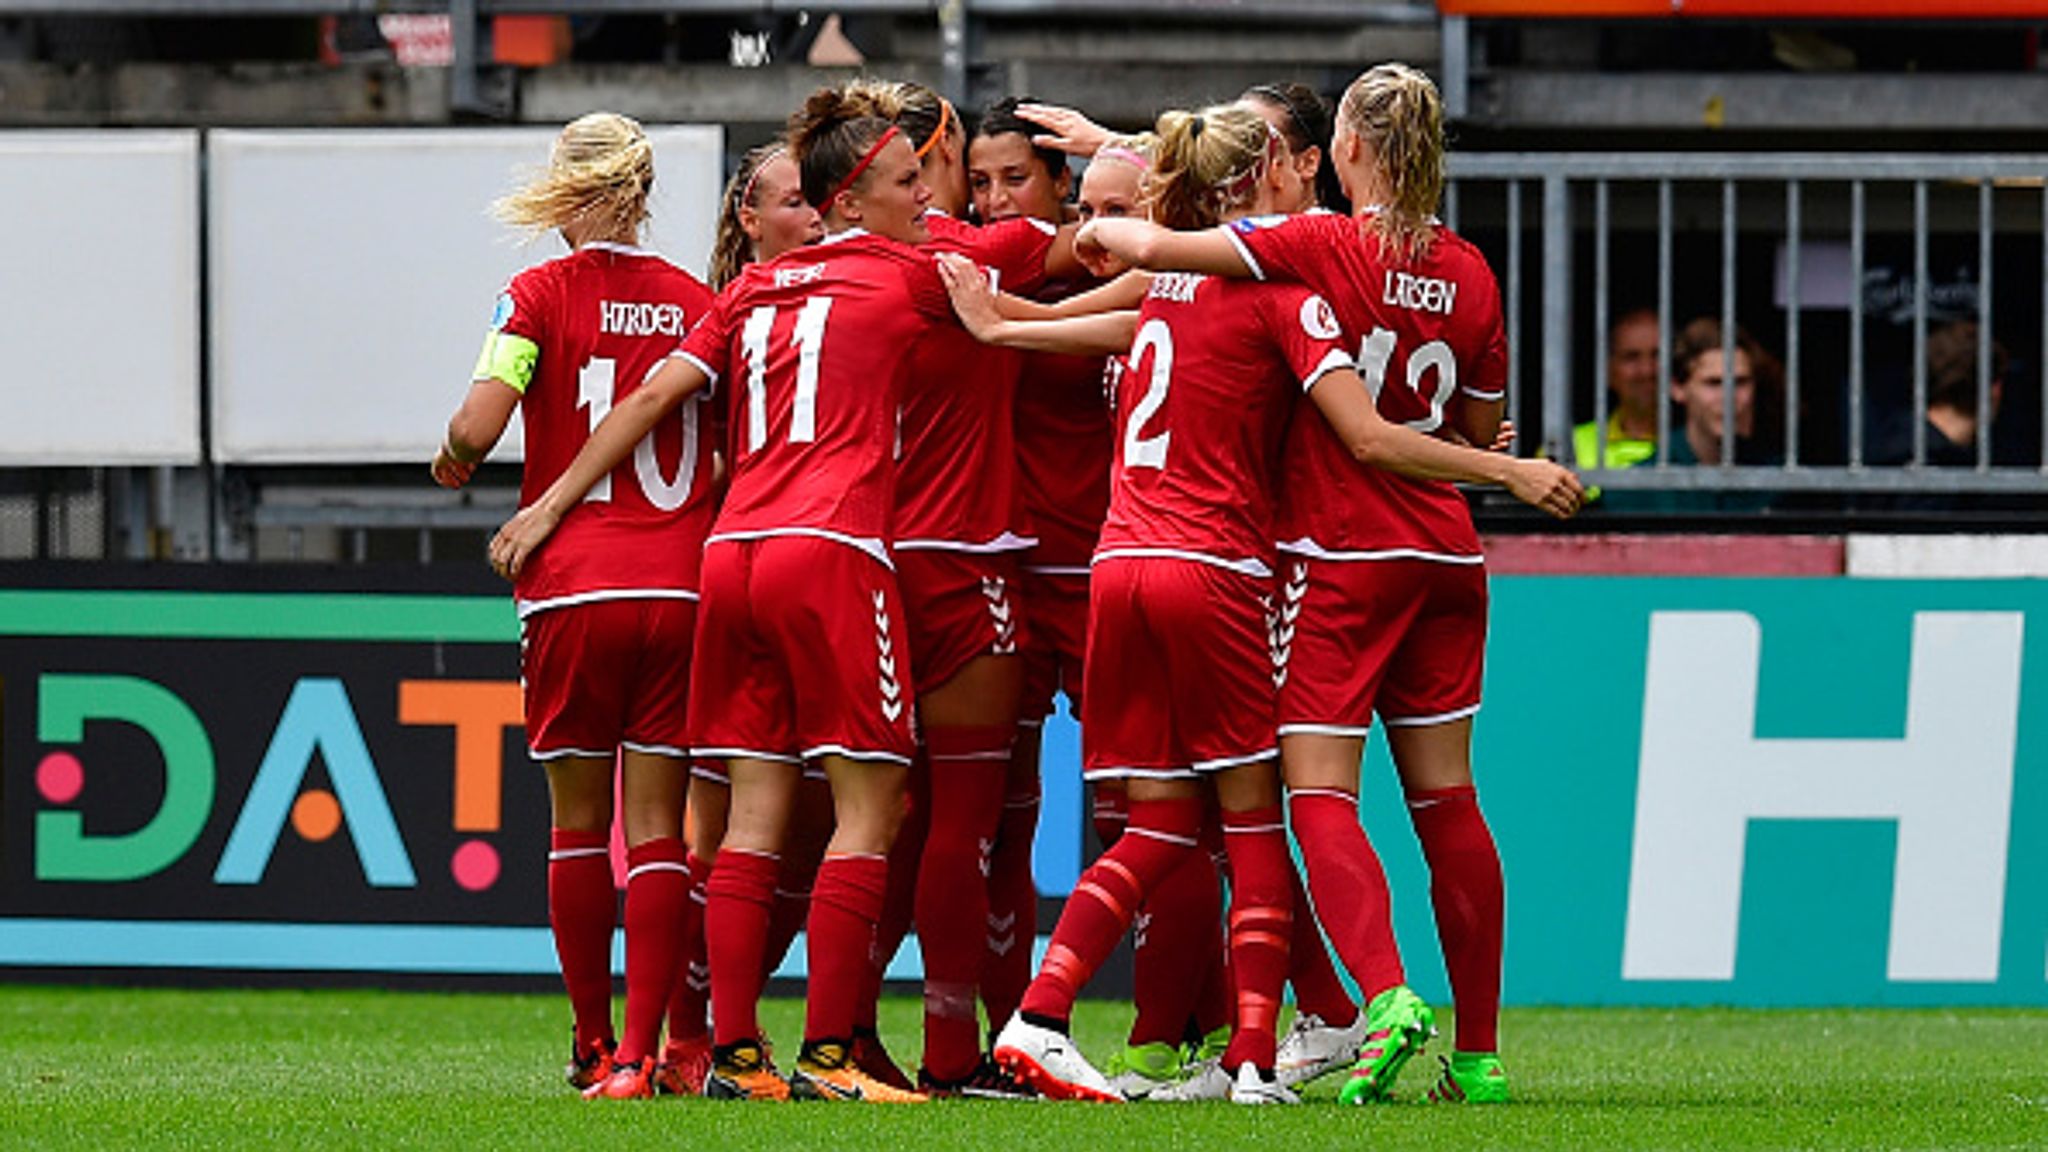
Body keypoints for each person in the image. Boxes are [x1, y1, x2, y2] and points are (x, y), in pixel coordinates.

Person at [964, 101, 1580, 1107]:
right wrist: (1494, 468)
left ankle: (1336, 1015)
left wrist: (1044, 272)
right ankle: (1463, 1055)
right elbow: (1465, 424)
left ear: (1335, 154)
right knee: (1439, 804)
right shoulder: (1464, 268)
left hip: (1285, 558)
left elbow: (1145, 267)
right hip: (1432, 552)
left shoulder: (1296, 255)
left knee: (1274, 806)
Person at [491, 82, 960, 1105]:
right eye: (908, 179)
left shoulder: (741, 299)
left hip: (719, 556)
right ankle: (823, 1055)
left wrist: (545, 503)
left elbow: (629, 398)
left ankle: (706, 1051)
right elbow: (1008, 304)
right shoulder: (901, 272)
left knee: (727, 820)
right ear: (843, 198)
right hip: (813, 554)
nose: (926, 195)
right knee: (860, 805)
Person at [430, 112, 718, 1100]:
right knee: (657, 828)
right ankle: (645, 1054)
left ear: (564, 190)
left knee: (573, 824)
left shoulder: (534, 296)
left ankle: (591, 1043)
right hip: (679, 585)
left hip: (572, 585)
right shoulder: (696, 303)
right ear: (640, 195)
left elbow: (478, 420)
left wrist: (458, 456)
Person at [656, 140, 824, 1099]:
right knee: (711, 829)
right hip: (736, 578)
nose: (810, 215)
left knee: (805, 827)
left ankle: (730, 1022)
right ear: (750, 222)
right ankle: (694, 1035)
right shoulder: (729, 312)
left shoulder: (844, 297)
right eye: (793, 202)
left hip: (810, 575)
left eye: (817, 200)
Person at [1573, 306, 1661, 473]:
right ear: (1608, 371)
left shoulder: (1704, 444)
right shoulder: (1571, 446)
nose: (1646, 370)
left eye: (1657, 355)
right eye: (1631, 357)